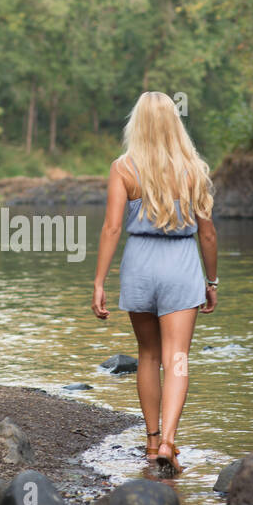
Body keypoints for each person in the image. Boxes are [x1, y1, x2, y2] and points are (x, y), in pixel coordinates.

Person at [92, 91, 218, 475]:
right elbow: (207, 234)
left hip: (140, 265)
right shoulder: (194, 169)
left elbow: (112, 227)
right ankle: (169, 442)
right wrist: (212, 281)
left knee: (148, 354)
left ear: (138, 124)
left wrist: (99, 282)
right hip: (181, 265)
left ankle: (151, 441)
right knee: (176, 357)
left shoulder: (123, 168)